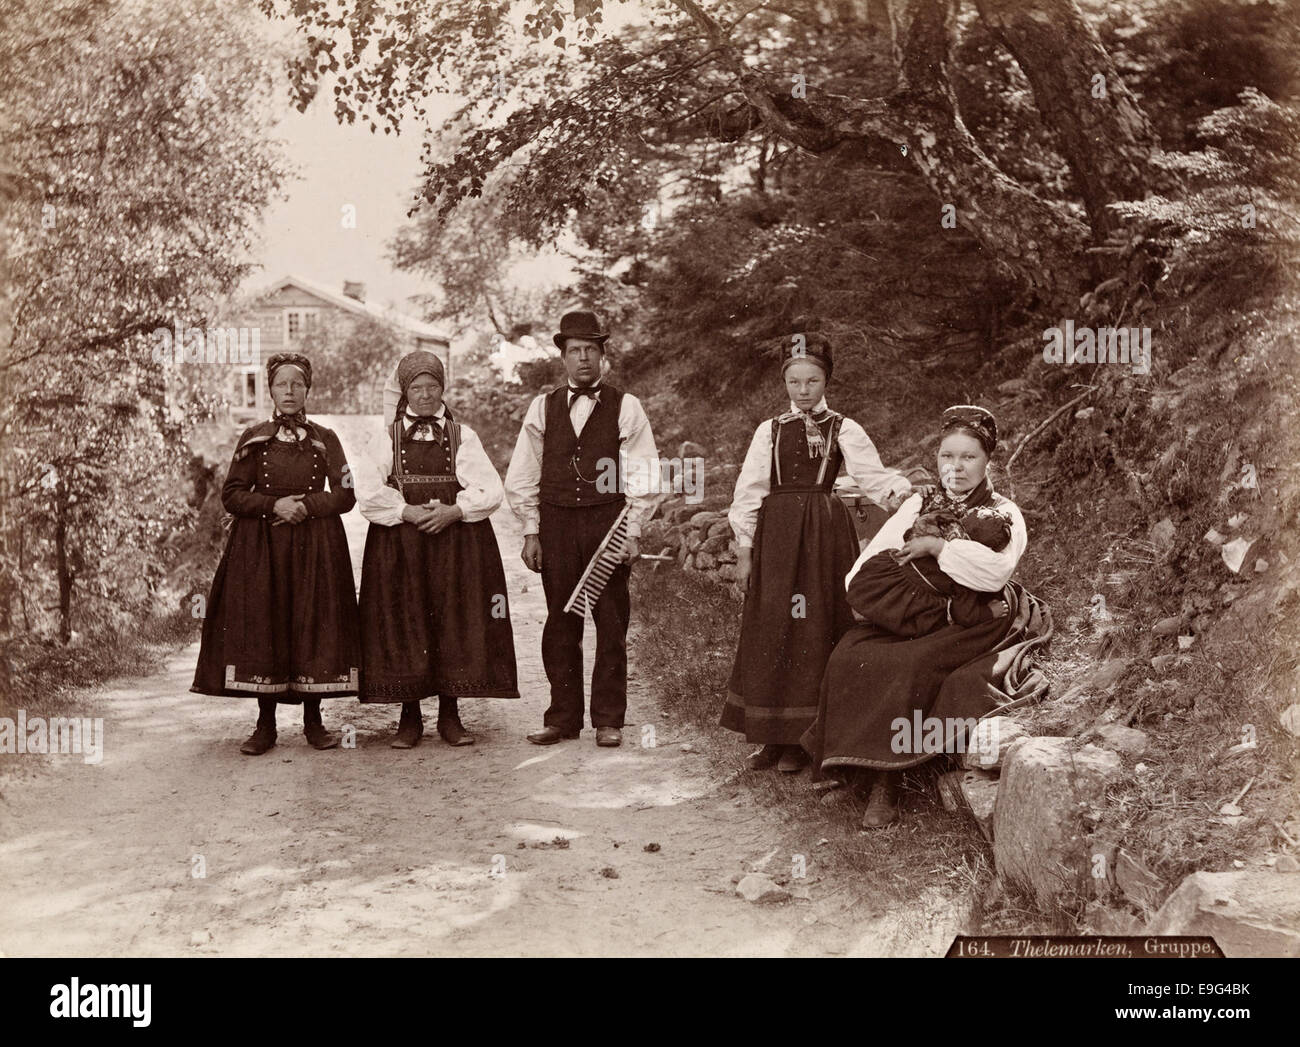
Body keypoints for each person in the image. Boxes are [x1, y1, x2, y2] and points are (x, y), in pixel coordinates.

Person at [801, 405, 1049, 828]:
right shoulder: (921, 501)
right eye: (946, 457)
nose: (956, 468)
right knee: (851, 652)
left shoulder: (1003, 512)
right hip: (918, 607)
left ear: (988, 460)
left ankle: (888, 782)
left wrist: (938, 550)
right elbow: (876, 555)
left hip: (974, 614)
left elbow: (993, 574)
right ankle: (853, 769)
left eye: (968, 457)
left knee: (910, 663)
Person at [723, 334, 912, 773]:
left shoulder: (844, 427)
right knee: (773, 626)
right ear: (784, 383)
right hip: (778, 538)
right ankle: (770, 736)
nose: (803, 390)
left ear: (825, 380)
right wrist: (746, 554)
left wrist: (904, 497)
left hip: (824, 538)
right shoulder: (769, 431)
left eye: (812, 380)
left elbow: (873, 477)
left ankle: (803, 741)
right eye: (794, 382)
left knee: (815, 627)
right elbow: (749, 492)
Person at [504, 309, 659, 747]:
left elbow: (644, 474)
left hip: (605, 524)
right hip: (555, 525)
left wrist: (632, 531)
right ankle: (562, 718)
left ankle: (609, 719)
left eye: (592, 350)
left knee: (611, 622)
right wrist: (531, 530)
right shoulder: (543, 407)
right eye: (575, 351)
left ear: (603, 355)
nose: (584, 359)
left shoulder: (626, 406)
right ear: (563, 357)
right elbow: (522, 474)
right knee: (560, 622)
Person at [191, 352, 359, 755]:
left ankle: (314, 723)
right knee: (267, 625)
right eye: (281, 384)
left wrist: (307, 507)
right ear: (270, 389)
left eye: (297, 384)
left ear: (307, 391)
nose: (289, 391)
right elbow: (232, 495)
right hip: (262, 548)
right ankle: (265, 726)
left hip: (315, 546)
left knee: (311, 623)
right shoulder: (253, 438)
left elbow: (347, 493)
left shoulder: (325, 439)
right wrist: (273, 506)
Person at [356, 350, 519, 747]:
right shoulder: (386, 437)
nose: (425, 395)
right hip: (401, 546)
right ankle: (408, 718)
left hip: (455, 544)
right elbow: (367, 492)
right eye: (417, 387)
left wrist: (456, 510)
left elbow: (490, 489)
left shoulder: (463, 435)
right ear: (405, 392)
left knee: (453, 620)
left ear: (443, 389)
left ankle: (450, 715)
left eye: (433, 387)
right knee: (406, 620)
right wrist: (406, 511)